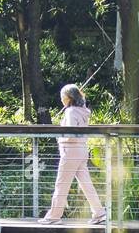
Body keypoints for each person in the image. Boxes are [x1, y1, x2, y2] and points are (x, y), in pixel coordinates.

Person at [39, 84, 106, 224]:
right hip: (81, 151)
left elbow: (71, 134)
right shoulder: (83, 111)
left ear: (68, 98)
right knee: (86, 184)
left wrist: (59, 138)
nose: (61, 100)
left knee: (61, 184)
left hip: (70, 152)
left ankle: (54, 216)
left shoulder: (70, 112)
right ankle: (99, 213)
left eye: (63, 97)